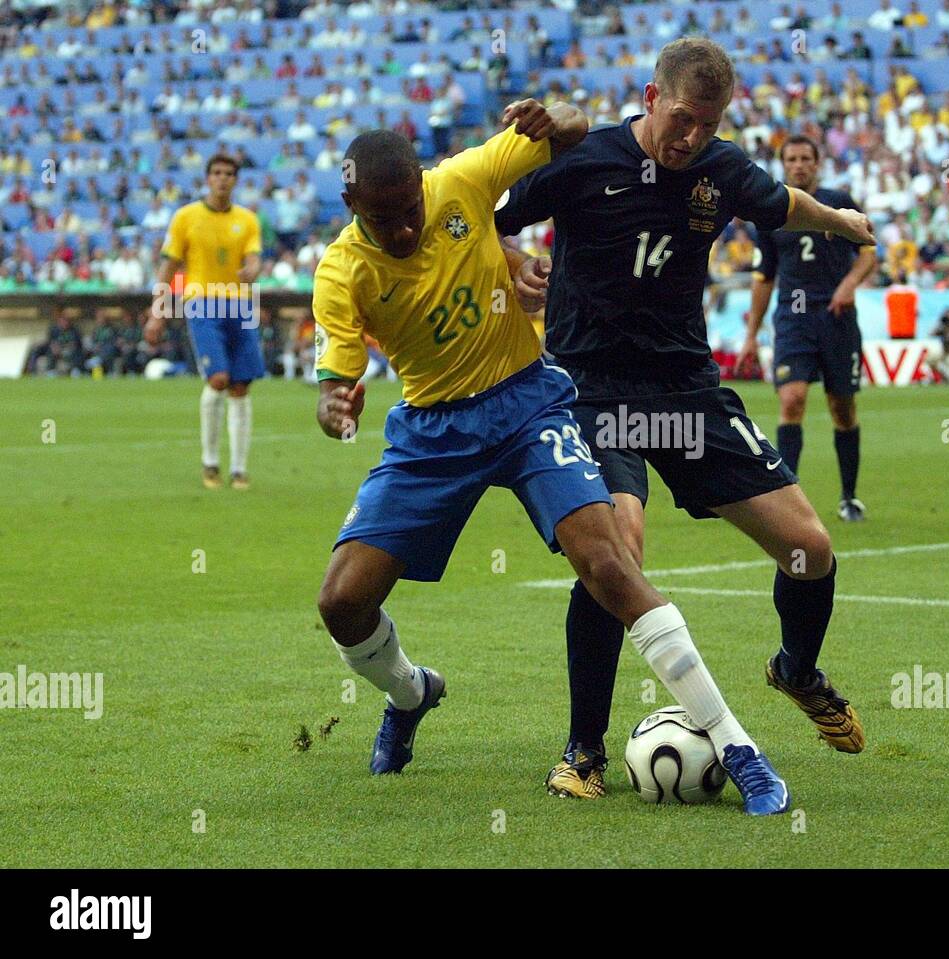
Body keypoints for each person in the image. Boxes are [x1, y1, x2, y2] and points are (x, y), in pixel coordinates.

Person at [312, 102, 790, 815]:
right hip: (431, 432)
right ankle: (411, 693)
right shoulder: (341, 270)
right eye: (386, 219)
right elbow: (334, 379)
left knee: (609, 566)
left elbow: (570, 133)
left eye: (412, 207)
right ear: (351, 206)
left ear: (423, 182)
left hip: (527, 405)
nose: (407, 227)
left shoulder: (463, 179)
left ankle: (739, 747)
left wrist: (554, 115)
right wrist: (334, 406)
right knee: (342, 601)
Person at [496, 39, 872, 801]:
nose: (690, 137)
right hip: (593, 391)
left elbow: (780, 202)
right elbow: (478, 214)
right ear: (648, 96)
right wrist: (512, 262)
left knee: (810, 548)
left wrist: (838, 218)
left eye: (707, 123)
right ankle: (583, 750)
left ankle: (796, 669)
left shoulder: (720, 169)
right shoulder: (583, 159)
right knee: (618, 547)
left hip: (686, 392)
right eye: (680, 118)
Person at [738, 135, 877, 522]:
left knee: (842, 407)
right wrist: (751, 334)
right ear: (783, 165)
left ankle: (849, 497)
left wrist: (848, 285)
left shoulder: (840, 202)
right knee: (792, 399)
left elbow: (868, 252)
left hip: (836, 319)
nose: (798, 165)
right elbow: (765, 277)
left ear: (817, 163)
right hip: (793, 320)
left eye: (805, 158)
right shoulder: (772, 212)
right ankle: (790, 500)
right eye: (792, 159)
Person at [147, 153, 262, 490]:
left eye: (229, 173)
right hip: (202, 301)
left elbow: (254, 259)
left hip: (240, 303)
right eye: (216, 173)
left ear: (236, 180)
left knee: (241, 385)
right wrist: (158, 311)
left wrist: (253, 270)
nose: (222, 178)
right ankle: (210, 463)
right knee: (218, 379)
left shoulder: (248, 220)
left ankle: (239, 469)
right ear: (207, 178)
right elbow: (168, 267)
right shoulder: (186, 217)